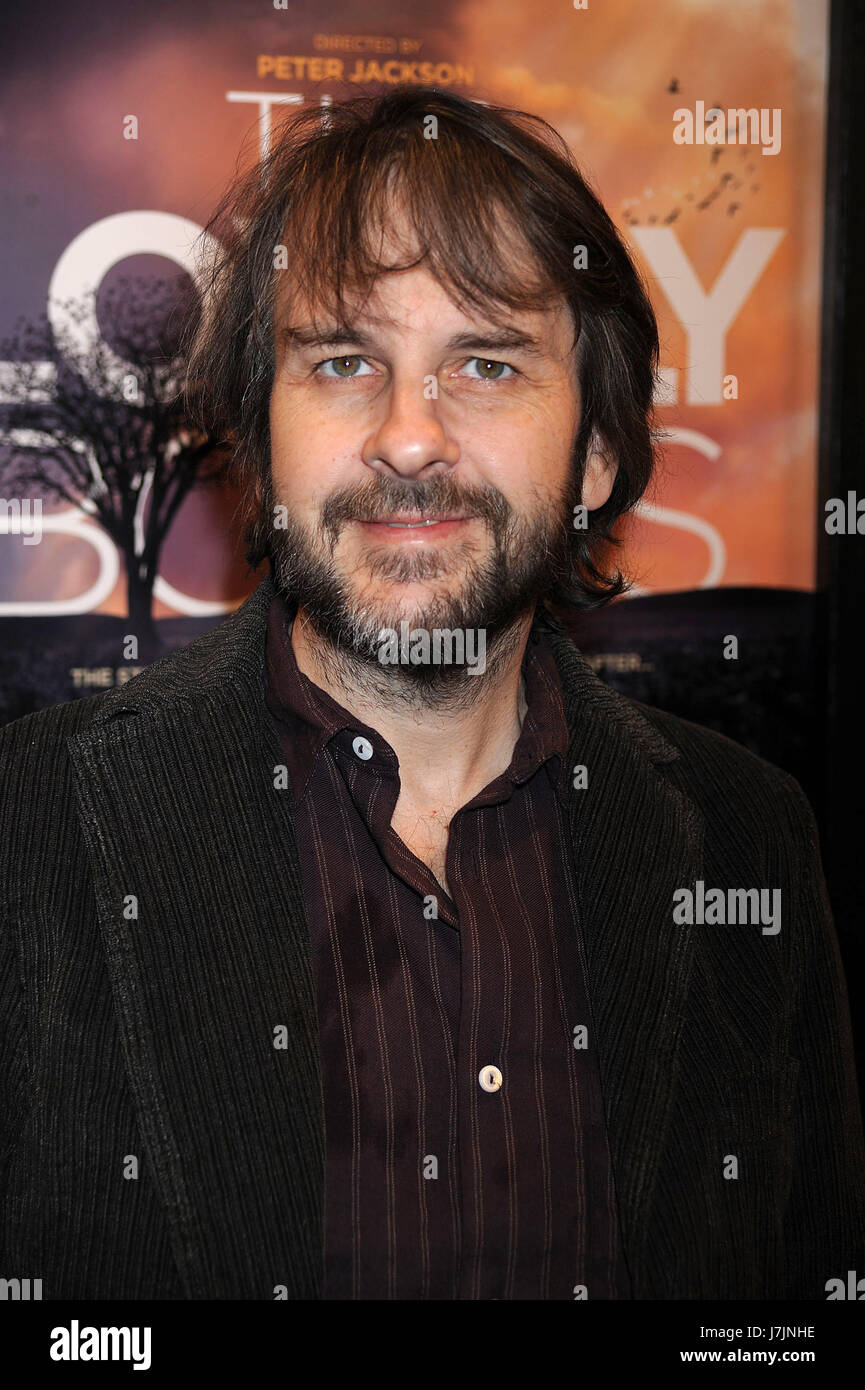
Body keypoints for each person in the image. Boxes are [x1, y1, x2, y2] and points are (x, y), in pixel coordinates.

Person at [1, 86, 863, 1301]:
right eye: (344, 360)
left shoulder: (747, 836)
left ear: (597, 456)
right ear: (259, 439)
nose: (411, 438)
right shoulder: (26, 829)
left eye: (489, 362)